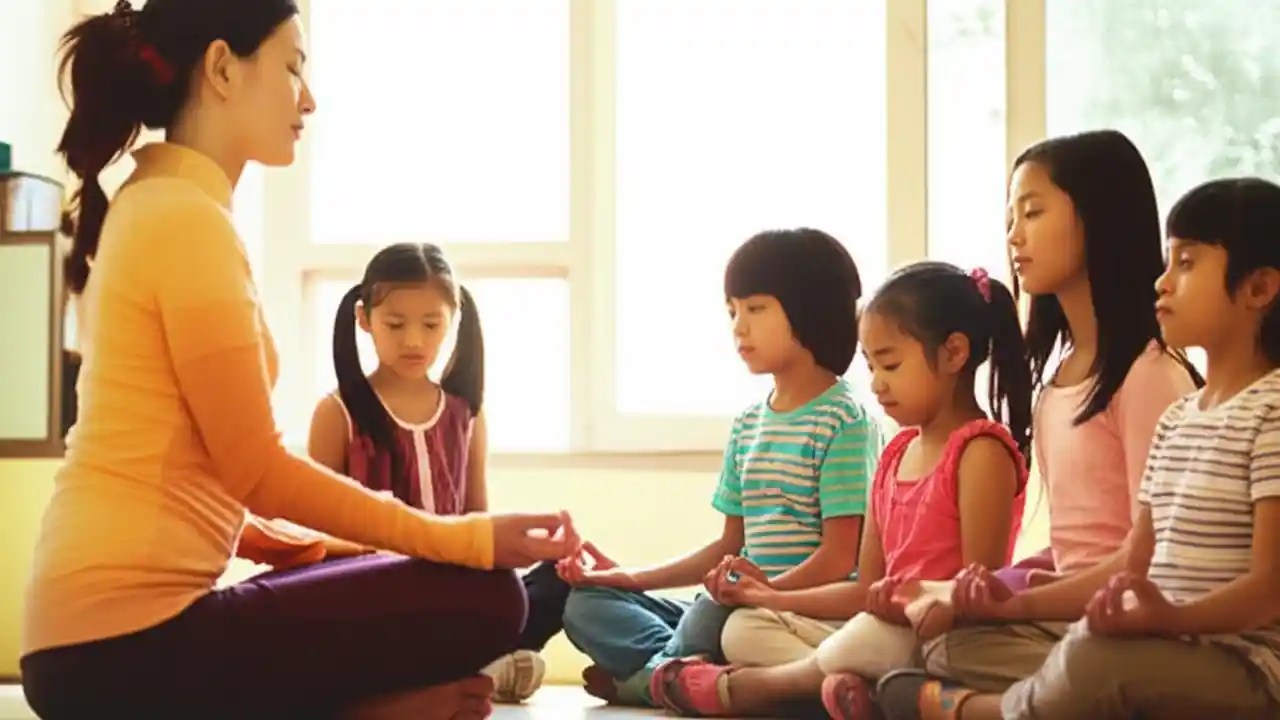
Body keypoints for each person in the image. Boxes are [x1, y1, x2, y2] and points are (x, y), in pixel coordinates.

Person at [19, 3, 573, 717]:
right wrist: (458, 537)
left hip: (85, 651)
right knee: (491, 594)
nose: (307, 98)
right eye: (292, 67)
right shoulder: (184, 220)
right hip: (121, 650)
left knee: (453, 574)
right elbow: (256, 469)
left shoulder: (156, 206)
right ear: (223, 67)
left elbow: (194, 473)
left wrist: (317, 549)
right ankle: (360, 711)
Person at [875, 129, 1201, 720]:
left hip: (1133, 624)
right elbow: (1078, 546)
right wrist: (1002, 584)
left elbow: (1150, 555)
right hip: (1070, 620)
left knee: (968, 651)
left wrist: (1014, 605)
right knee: (944, 640)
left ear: (1097, 218)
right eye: (1009, 217)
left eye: (1033, 211)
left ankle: (988, 708)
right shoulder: (1060, 383)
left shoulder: (1148, 375)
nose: (1014, 236)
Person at [645, 262, 1032, 718]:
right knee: (743, 628)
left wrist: (908, 601)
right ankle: (853, 690)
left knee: (870, 638)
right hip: (879, 632)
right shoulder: (895, 454)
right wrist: (770, 597)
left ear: (953, 354)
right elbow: (865, 587)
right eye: (871, 365)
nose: (876, 383)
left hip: (945, 639)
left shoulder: (980, 451)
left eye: (890, 364)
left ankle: (757, 689)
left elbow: (975, 592)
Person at [557, 228, 881, 708]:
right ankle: (693, 677)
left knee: (718, 620)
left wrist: (761, 592)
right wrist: (628, 577)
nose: (738, 326)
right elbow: (728, 546)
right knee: (586, 606)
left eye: (755, 309)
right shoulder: (748, 423)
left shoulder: (845, 420)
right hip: (737, 604)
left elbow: (840, 557)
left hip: (798, 613)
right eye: (732, 311)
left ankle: (647, 683)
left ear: (808, 307)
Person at [307, 242, 571, 703]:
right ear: (364, 319)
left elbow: (477, 519)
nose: (413, 340)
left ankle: (457, 665)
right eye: (395, 324)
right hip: (371, 590)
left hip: (449, 589)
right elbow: (312, 533)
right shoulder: (337, 413)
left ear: (453, 320)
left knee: (547, 581)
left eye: (431, 325)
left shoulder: (465, 415)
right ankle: (479, 666)